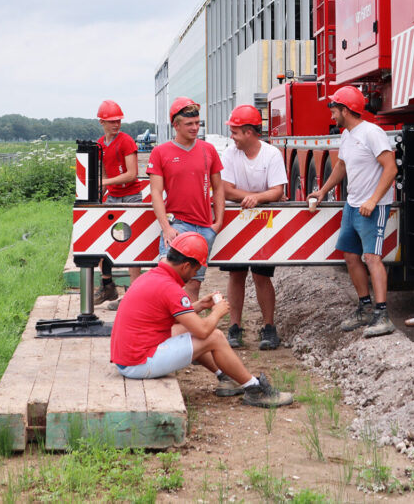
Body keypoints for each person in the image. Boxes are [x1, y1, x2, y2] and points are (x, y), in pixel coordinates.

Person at [109, 232, 293, 408]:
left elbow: (171, 316)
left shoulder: (154, 276)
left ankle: (226, 378)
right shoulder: (170, 288)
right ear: (186, 266)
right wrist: (217, 312)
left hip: (128, 358)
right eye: (196, 270)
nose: (194, 275)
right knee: (214, 337)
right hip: (139, 364)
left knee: (191, 330)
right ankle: (255, 389)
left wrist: (198, 306)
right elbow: (203, 331)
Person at [307, 86, 398, 338]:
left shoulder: (372, 133)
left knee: (372, 258)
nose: (332, 115)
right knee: (350, 255)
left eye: (334, 110)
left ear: (345, 110)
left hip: (373, 207)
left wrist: (373, 200)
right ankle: (365, 307)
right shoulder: (347, 135)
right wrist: (323, 190)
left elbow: (390, 169)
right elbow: (342, 166)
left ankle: (383, 315)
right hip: (353, 205)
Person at [216, 104, 287, 350]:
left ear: (248, 132)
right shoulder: (229, 154)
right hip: (236, 222)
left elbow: (278, 190)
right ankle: (234, 328)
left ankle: (269, 327)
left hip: (263, 223)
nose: (232, 137)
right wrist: (256, 196)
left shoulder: (271, 155)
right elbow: (224, 188)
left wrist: (256, 198)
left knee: (261, 275)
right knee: (236, 275)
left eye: (235, 132)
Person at [146, 97, 225, 302]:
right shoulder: (160, 152)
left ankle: (187, 331)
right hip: (178, 225)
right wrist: (166, 227)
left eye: (197, 123)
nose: (195, 128)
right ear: (176, 125)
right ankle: (165, 327)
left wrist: (217, 223)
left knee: (194, 283)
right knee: (168, 277)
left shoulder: (208, 150)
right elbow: (156, 192)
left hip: (205, 228)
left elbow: (218, 187)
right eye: (189, 124)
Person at [93, 99, 142, 305]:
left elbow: (132, 174)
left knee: (132, 244)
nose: (116, 124)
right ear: (102, 122)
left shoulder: (126, 141)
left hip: (131, 195)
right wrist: (95, 195)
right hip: (113, 195)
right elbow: (104, 174)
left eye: (118, 121)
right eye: (111, 121)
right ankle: (108, 285)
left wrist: (106, 181)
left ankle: (135, 294)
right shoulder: (99, 144)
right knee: (105, 240)